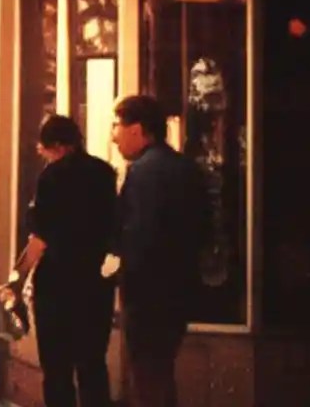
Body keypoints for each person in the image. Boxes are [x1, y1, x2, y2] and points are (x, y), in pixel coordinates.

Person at [109, 95, 207, 407]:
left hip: (147, 295)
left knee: (148, 376)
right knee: (162, 371)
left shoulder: (143, 172)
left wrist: (119, 272)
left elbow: (138, 235)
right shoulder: (186, 168)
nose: (113, 136)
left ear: (137, 130)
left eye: (117, 126)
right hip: (179, 290)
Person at [16, 115, 118, 407]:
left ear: (59, 146)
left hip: (57, 285)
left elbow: (40, 238)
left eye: (45, 150)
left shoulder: (52, 177)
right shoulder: (104, 173)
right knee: (93, 365)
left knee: (57, 369)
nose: (45, 156)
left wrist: (17, 277)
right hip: (96, 284)